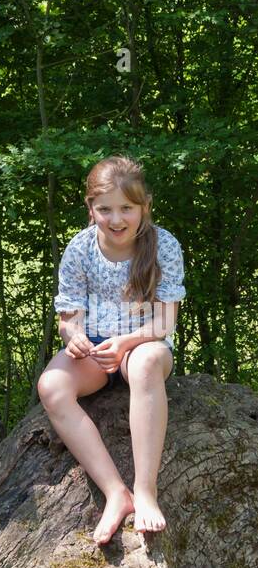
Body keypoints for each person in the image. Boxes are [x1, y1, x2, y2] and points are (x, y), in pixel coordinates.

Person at [37, 155, 185, 545]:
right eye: (105, 209)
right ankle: (115, 491)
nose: (116, 219)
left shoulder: (163, 245)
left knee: (145, 364)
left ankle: (146, 491)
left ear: (144, 207)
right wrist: (75, 338)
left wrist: (126, 343)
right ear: (90, 209)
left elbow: (166, 322)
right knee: (51, 387)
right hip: (98, 351)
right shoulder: (80, 249)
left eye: (126, 209)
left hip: (145, 344)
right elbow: (68, 319)